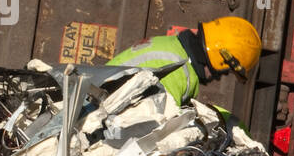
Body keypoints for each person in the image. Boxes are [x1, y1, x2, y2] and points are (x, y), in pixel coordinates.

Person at [105, 16, 262, 106]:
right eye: (226, 72)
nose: (219, 78)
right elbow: (154, 131)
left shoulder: (171, 46)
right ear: (220, 59)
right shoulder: (180, 73)